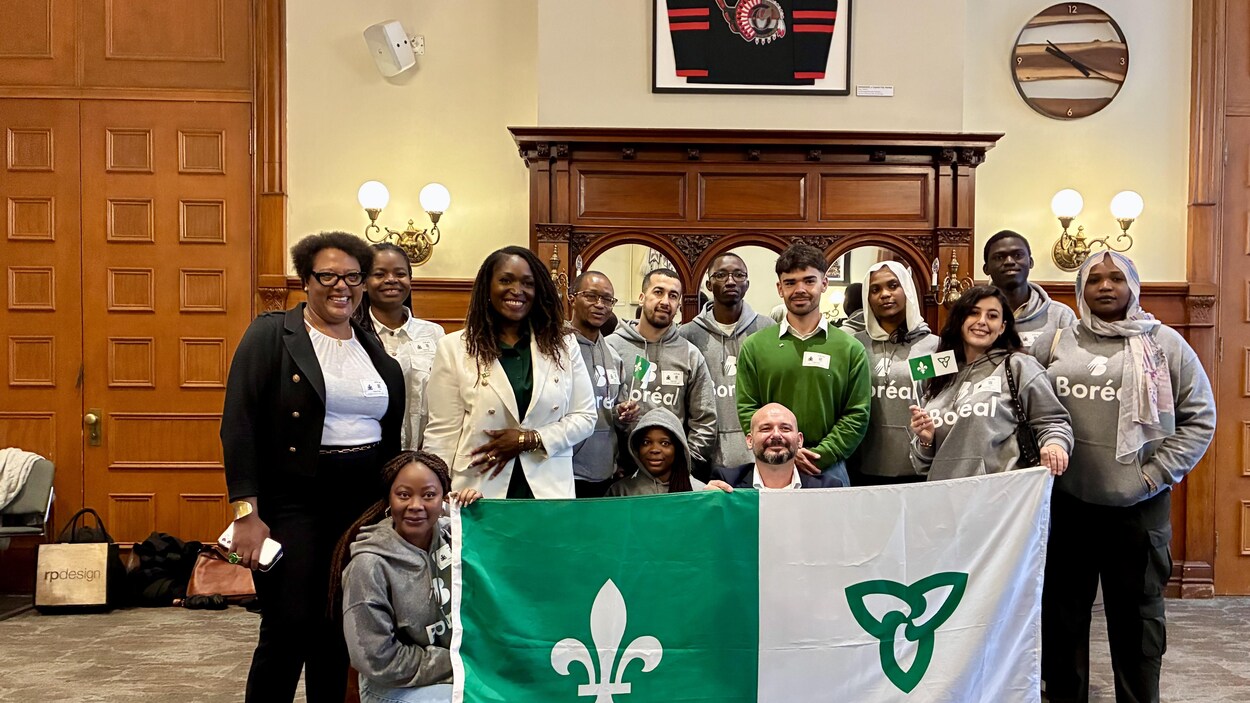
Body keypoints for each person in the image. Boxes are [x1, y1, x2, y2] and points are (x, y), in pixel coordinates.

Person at [220, 231, 405, 703]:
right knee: (288, 623)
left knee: (341, 626)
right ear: (306, 280)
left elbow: (390, 433)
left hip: (362, 503)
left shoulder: (371, 347)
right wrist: (247, 513)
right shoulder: (271, 334)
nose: (340, 286)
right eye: (327, 276)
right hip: (293, 498)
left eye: (351, 277)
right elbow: (238, 425)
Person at [1035, 252, 1215, 703]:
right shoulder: (1057, 342)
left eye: (1116, 277)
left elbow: (1200, 419)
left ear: (1134, 285)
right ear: (1080, 289)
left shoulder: (1165, 343)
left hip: (1138, 509)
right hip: (1067, 508)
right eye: (1093, 279)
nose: (1105, 286)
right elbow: (1026, 403)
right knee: (1063, 624)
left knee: (1137, 626)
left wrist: (1153, 475)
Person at [424, 246, 596, 499]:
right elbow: (442, 432)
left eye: (528, 283)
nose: (517, 290)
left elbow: (585, 416)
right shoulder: (454, 348)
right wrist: (432, 489)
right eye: (505, 280)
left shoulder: (563, 345)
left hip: (548, 487)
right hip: (478, 489)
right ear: (487, 287)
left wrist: (531, 439)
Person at [331, 451, 481, 703]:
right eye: (403, 494)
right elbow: (377, 659)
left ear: (444, 499)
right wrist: (459, 660)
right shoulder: (369, 565)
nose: (415, 505)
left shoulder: (457, 540)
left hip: (460, 670)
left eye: (429, 495)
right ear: (389, 499)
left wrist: (480, 517)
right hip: (392, 684)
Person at [736, 243, 870, 487]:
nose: (800, 289)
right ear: (779, 288)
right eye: (790, 282)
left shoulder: (850, 349)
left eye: (809, 281)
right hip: (772, 466)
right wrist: (788, 450)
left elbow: (857, 414)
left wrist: (818, 455)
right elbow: (748, 408)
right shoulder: (754, 347)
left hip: (829, 468)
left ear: (824, 284)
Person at [907, 285, 1072, 481]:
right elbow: (922, 466)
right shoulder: (938, 370)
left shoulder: (1019, 365)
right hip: (945, 497)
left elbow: (1052, 421)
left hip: (1000, 497)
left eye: (992, 316)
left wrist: (1055, 444)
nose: (982, 321)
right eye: (973, 313)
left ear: (1002, 327)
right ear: (960, 319)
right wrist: (926, 442)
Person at [606, 268, 717, 478]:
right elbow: (597, 412)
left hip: (674, 477)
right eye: (658, 292)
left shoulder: (690, 354)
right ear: (641, 297)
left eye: (673, 296)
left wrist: (685, 465)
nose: (665, 301)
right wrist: (617, 416)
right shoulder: (611, 348)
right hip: (620, 476)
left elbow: (705, 420)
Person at [678, 253, 776, 470]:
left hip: (758, 452)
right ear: (708, 284)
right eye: (721, 275)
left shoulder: (767, 329)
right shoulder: (687, 334)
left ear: (747, 284)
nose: (730, 281)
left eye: (738, 275)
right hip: (704, 454)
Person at [848, 262, 938, 485]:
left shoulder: (936, 346)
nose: (885, 294)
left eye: (893, 285)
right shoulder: (853, 345)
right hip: (861, 467)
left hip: (916, 468)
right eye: (875, 289)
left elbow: (944, 401)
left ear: (906, 290)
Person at [358, 243, 446, 450]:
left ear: (410, 280)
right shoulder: (352, 335)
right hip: (368, 455)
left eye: (400, 274)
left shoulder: (434, 334)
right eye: (379, 274)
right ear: (363, 283)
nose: (391, 280)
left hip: (424, 453)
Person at [568, 271, 637, 497]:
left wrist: (623, 413)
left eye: (607, 299)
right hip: (566, 471)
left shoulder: (613, 356)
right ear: (572, 298)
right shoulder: (557, 349)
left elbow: (615, 409)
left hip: (606, 471)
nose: (600, 305)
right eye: (591, 296)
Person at [707, 403, 845, 490]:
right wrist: (707, 505)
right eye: (766, 429)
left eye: (785, 428)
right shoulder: (727, 483)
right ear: (750, 440)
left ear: (799, 440)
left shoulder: (828, 489)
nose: (776, 435)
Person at [982, 230, 1076, 351]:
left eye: (1018, 255)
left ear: (1030, 262)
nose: (1009, 262)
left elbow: (1070, 365)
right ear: (986, 268)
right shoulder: (970, 314)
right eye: (999, 257)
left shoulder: (1061, 316)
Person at [606, 408, 706, 495]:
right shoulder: (620, 492)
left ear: (678, 448)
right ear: (637, 448)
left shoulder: (701, 492)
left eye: (665, 443)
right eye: (646, 442)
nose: (654, 450)